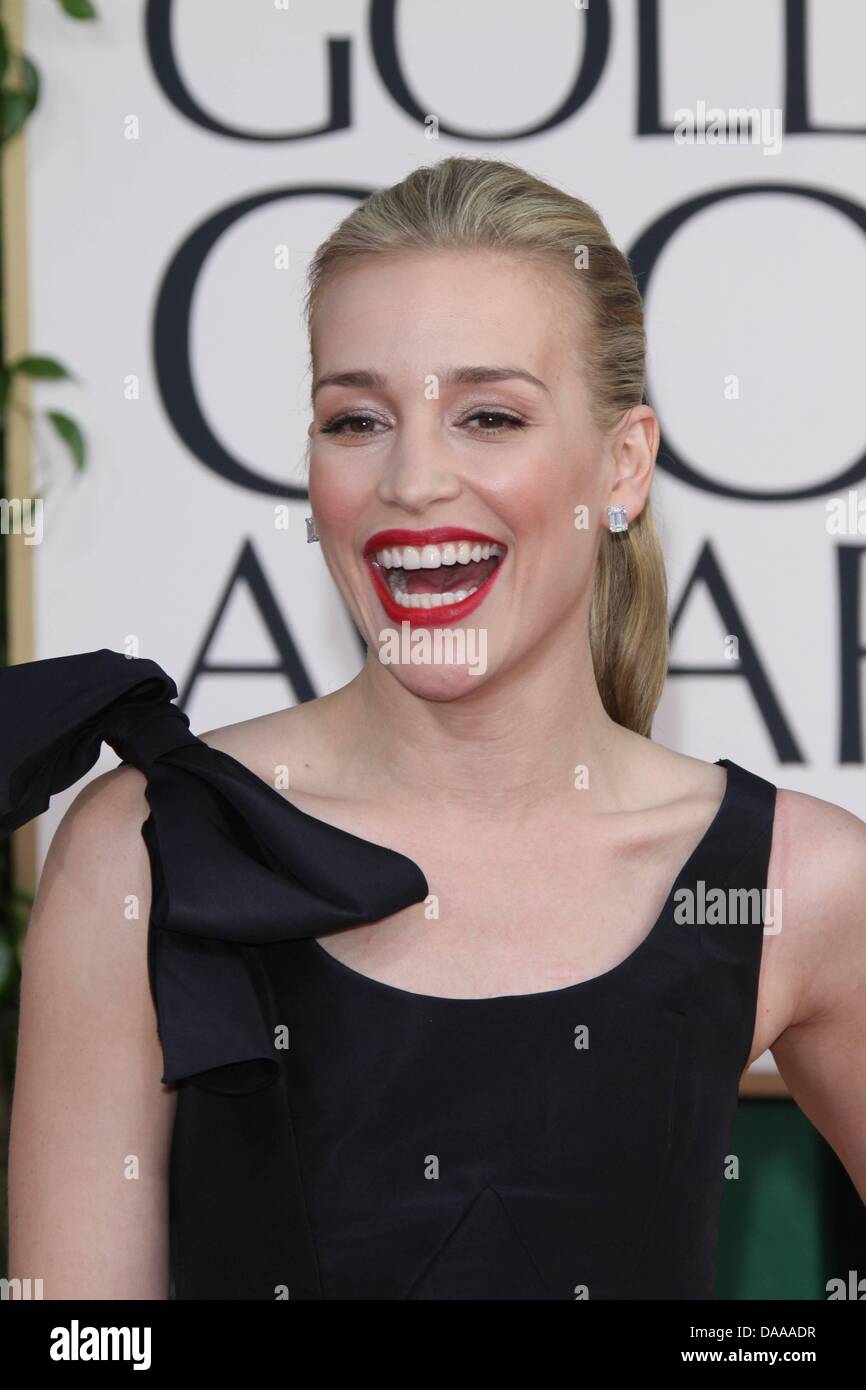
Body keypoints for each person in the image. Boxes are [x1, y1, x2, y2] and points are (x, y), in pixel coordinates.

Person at [5, 156, 865, 1301]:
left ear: (622, 465)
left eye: (489, 415)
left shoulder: (798, 881)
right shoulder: (144, 850)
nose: (413, 478)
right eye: (356, 418)